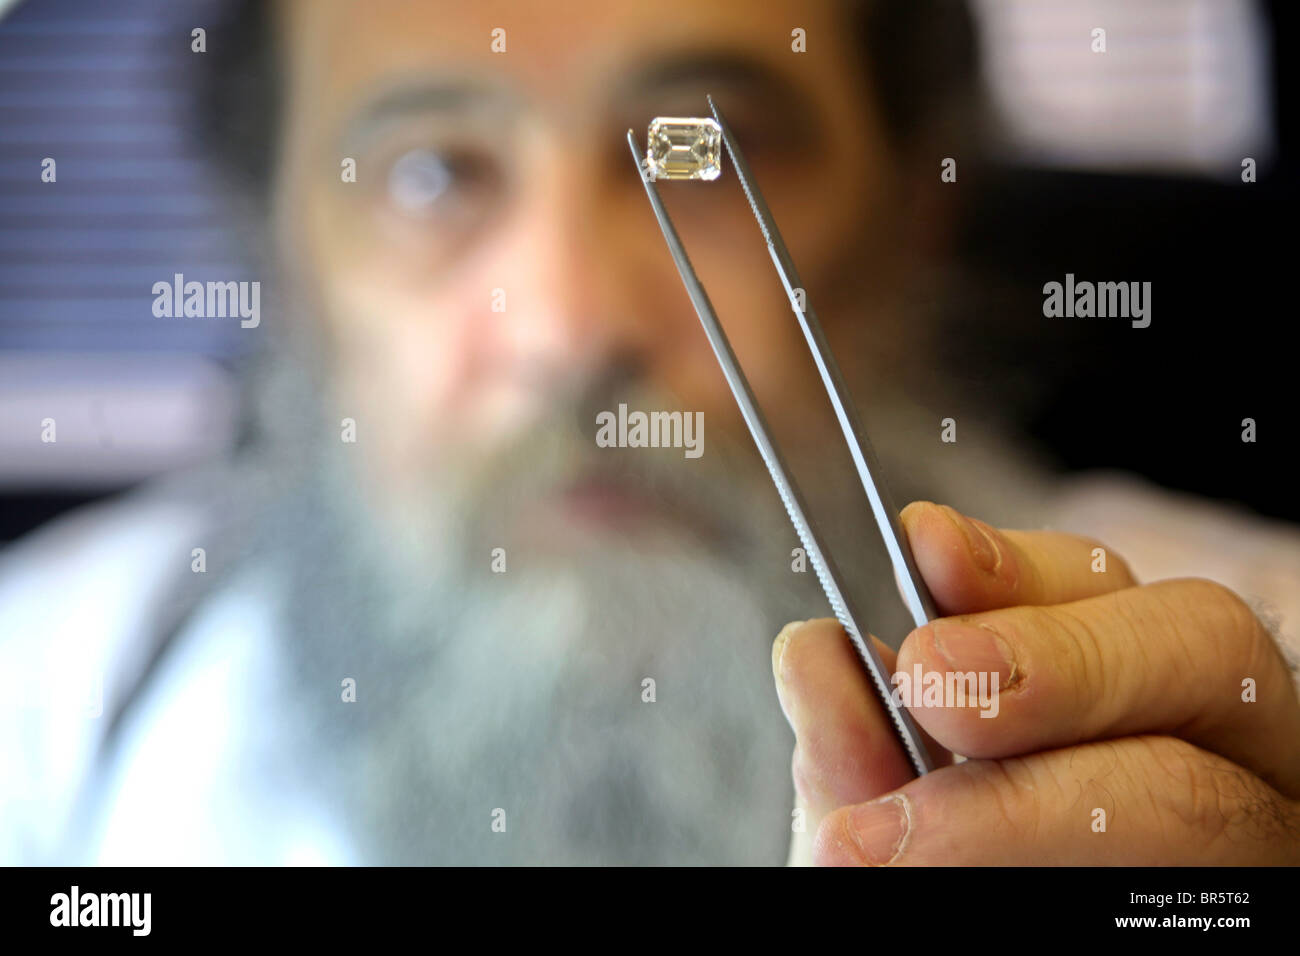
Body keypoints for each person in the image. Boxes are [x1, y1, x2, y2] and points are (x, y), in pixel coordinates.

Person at [1, 0, 1296, 865]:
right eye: (429, 171)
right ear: (290, 261)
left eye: (710, 151)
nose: (570, 326)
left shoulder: (1253, 673)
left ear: (915, 218)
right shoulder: (42, 705)